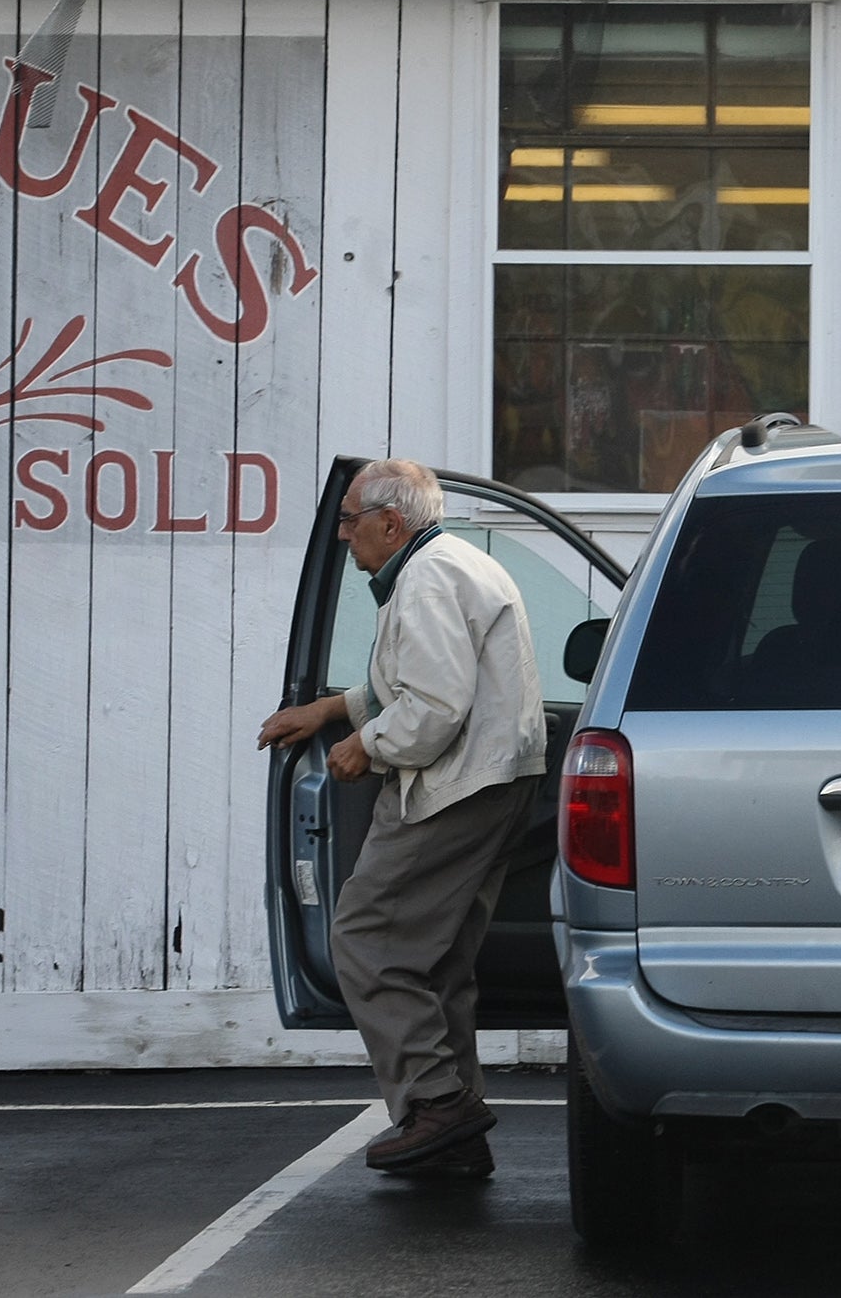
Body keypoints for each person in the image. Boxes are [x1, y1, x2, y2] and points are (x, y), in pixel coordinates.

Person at [258, 458, 547, 1178]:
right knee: (438, 959)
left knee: (364, 938)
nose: (342, 534)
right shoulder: (445, 564)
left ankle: (436, 1103)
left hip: (454, 785)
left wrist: (364, 744)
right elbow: (414, 675)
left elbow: (432, 708)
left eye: (350, 520)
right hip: (495, 782)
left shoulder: (425, 579)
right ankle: (451, 1137)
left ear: (392, 523)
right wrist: (331, 710)